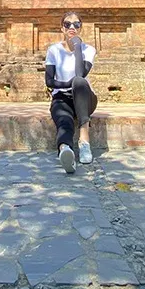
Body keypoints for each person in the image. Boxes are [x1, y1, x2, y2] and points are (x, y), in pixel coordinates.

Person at [45, 11, 97, 173]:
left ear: (81, 28)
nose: (72, 27)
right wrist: (67, 84)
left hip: (84, 96)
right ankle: (65, 149)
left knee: (79, 82)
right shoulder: (54, 50)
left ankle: (84, 141)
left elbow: (80, 74)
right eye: (67, 24)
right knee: (64, 122)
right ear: (62, 28)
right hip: (62, 98)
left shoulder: (88, 50)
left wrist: (77, 47)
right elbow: (49, 81)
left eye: (76, 24)